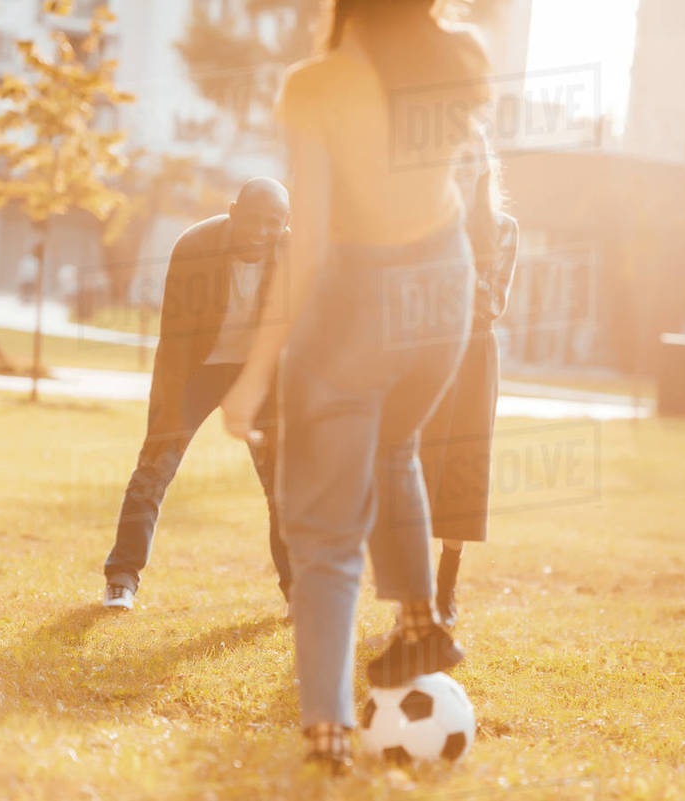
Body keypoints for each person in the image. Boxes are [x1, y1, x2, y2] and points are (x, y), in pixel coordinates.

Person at [220, 0, 490, 770]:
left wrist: (255, 373)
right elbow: (469, 186)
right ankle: (417, 620)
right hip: (446, 296)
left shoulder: (319, 83)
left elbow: (306, 243)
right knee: (393, 442)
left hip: (362, 300)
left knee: (325, 533)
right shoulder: (463, 55)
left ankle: (328, 729)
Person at [101, 178, 293, 612]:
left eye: (273, 223)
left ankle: (297, 592)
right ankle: (122, 577)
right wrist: (170, 407)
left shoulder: (294, 255)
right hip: (197, 367)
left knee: (283, 485)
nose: (261, 232)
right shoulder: (195, 247)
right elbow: (176, 337)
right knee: (154, 469)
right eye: (252, 220)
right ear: (232, 210)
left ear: (285, 224)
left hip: (260, 376)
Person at [413, 126, 518, 628]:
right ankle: (412, 591)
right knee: (413, 463)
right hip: (422, 351)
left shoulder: (503, 229)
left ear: (485, 165)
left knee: (463, 463)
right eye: (457, 156)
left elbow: (491, 301)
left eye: (474, 156)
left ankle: (446, 586)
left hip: (474, 353)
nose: (465, 164)